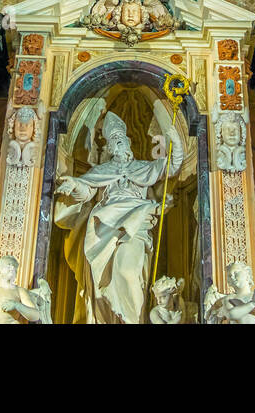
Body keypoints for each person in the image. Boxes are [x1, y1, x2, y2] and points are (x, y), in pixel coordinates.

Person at [54, 111, 183, 324]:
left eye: (121, 139)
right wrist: (74, 185)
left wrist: (176, 141)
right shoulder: (103, 170)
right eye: (114, 141)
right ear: (110, 148)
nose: (119, 143)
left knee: (128, 272)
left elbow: (173, 166)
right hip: (104, 228)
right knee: (101, 281)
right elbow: (87, 191)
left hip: (136, 223)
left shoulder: (143, 168)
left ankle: (132, 320)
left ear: (129, 143)